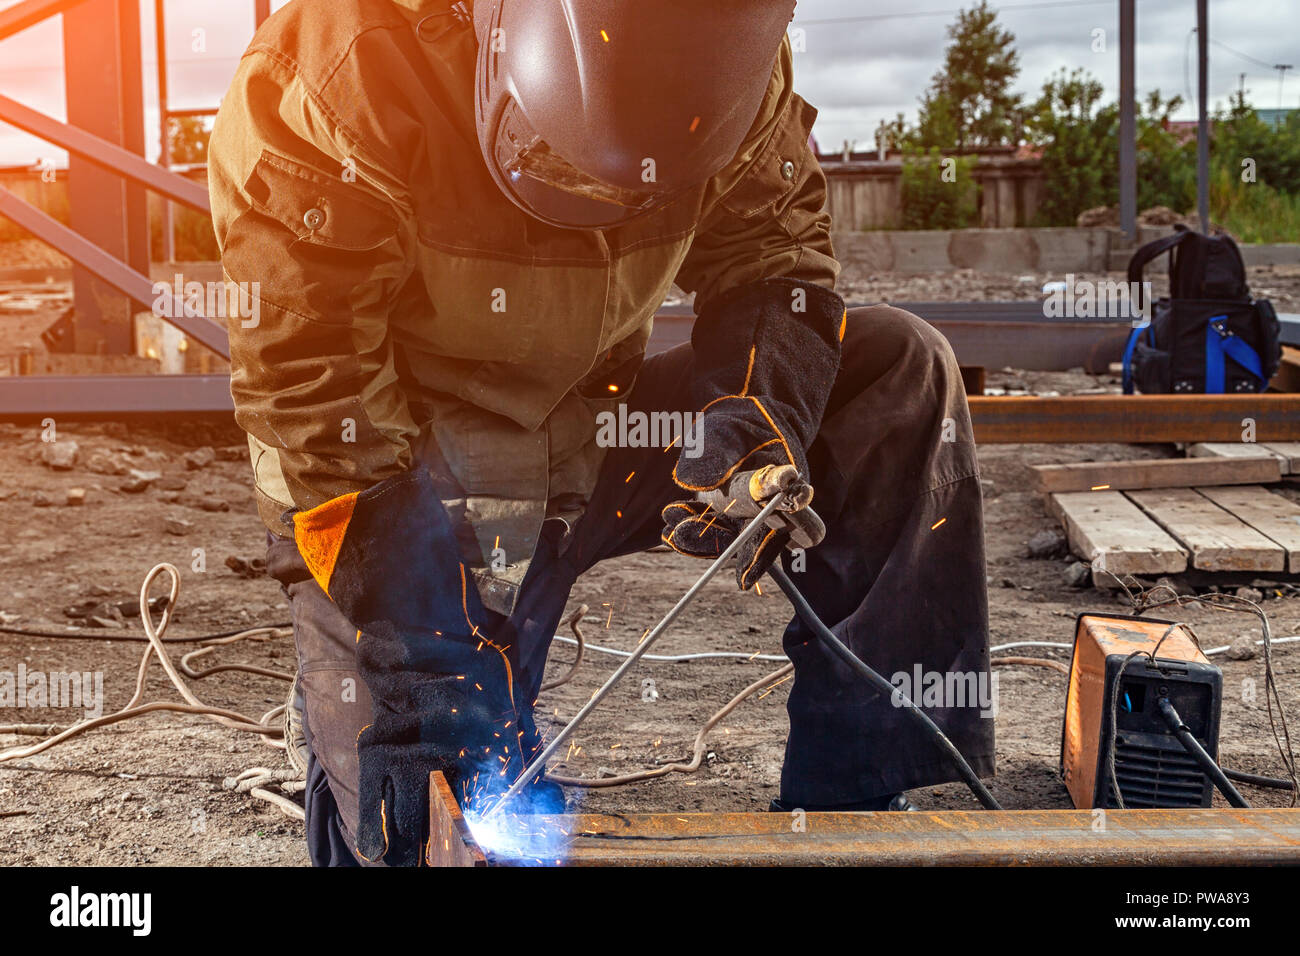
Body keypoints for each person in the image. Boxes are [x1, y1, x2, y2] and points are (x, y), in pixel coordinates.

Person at [208, 0, 994, 867]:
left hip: (594, 426)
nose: (615, 212)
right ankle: (356, 683)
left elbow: (777, 259)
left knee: (899, 367)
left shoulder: (728, 51)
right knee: (437, 806)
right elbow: (316, 392)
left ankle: (856, 790)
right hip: (406, 478)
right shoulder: (334, 74)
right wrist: (418, 658)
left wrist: (753, 412)